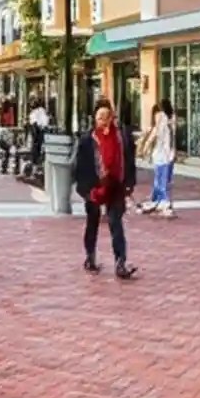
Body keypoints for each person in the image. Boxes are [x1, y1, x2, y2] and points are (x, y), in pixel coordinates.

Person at [73, 99, 138, 279]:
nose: (104, 120)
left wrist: (129, 184)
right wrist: (87, 190)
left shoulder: (121, 137)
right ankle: (90, 256)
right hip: (94, 186)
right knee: (92, 222)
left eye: (107, 116)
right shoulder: (87, 140)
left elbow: (129, 162)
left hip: (116, 185)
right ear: (94, 118)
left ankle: (121, 262)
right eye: (100, 117)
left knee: (115, 222)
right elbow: (80, 167)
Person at [140, 100, 176, 217]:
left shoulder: (164, 123)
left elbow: (153, 137)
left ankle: (162, 201)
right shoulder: (167, 124)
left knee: (161, 180)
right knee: (161, 179)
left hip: (163, 156)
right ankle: (159, 200)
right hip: (163, 156)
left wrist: (144, 149)